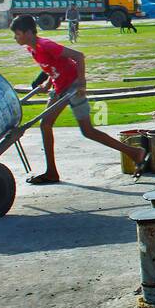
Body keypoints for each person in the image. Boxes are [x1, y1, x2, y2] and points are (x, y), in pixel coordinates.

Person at [9, 15, 147, 183]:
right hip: (59, 87)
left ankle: (134, 153)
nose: (16, 38)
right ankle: (51, 172)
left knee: (87, 131)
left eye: (17, 34)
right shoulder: (33, 49)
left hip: (74, 87)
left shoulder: (45, 45)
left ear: (29, 32)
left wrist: (82, 83)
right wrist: (46, 83)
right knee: (45, 125)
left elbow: (78, 56)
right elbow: (53, 66)